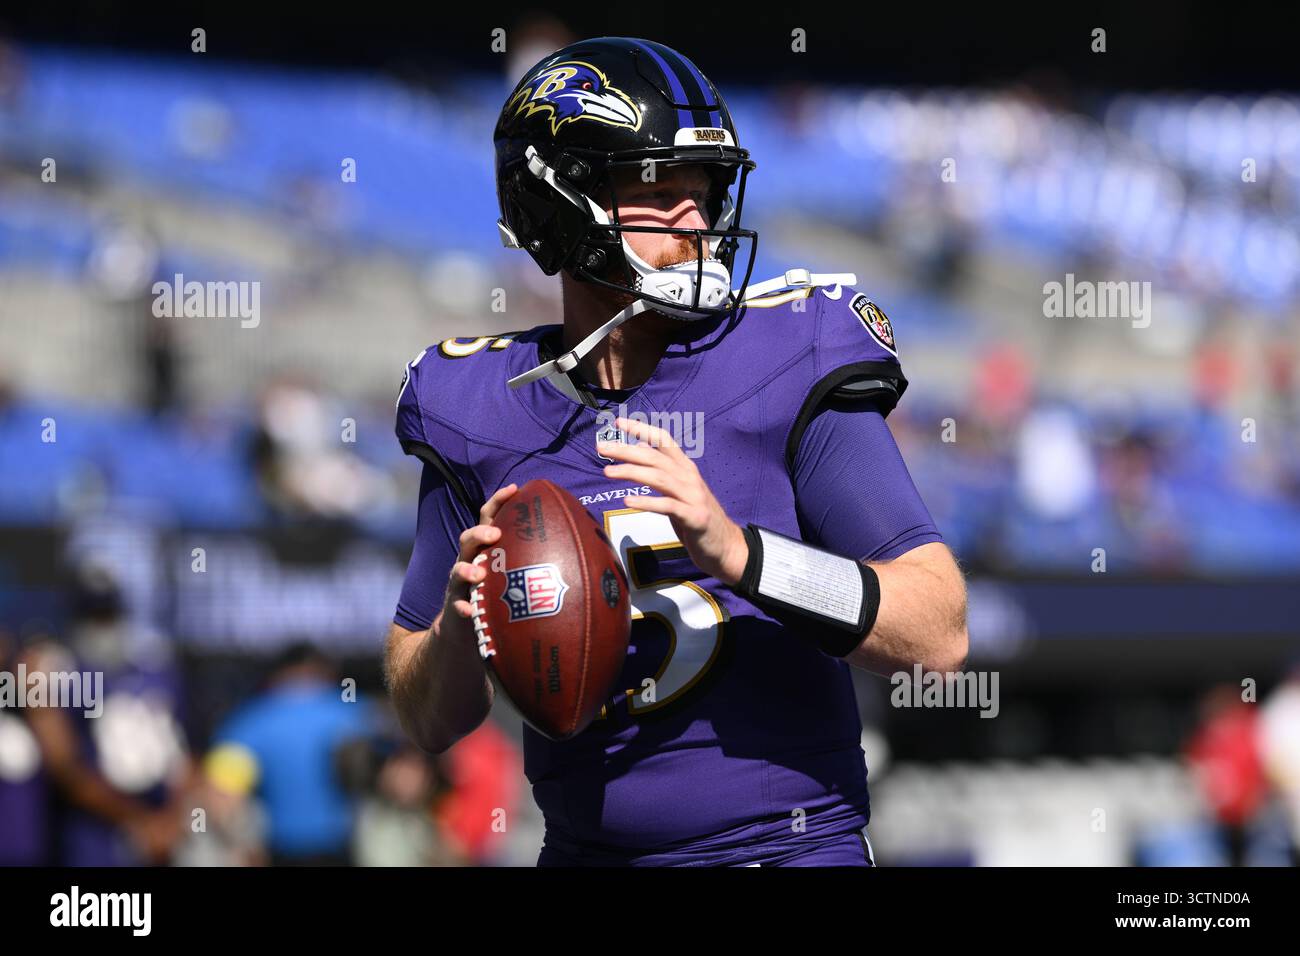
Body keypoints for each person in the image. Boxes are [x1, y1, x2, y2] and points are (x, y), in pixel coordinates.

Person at [384, 37, 967, 867]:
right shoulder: (479, 408)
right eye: (660, 194)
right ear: (561, 204)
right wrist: (456, 624)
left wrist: (741, 555)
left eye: (703, 192)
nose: (697, 223)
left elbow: (938, 630)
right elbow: (428, 718)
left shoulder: (789, 353)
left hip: (785, 851)